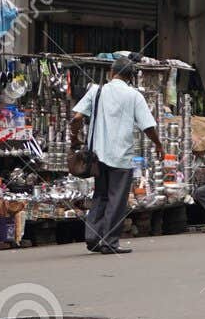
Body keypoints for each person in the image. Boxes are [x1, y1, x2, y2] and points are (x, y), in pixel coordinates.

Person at [69, 56, 165, 255]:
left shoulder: (97, 90)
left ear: (112, 73)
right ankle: (109, 242)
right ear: (130, 77)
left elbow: (77, 117)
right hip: (121, 156)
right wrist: (158, 145)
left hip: (97, 155)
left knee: (100, 196)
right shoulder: (134, 95)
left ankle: (93, 237)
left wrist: (75, 138)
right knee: (117, 200)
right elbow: (148, 126)